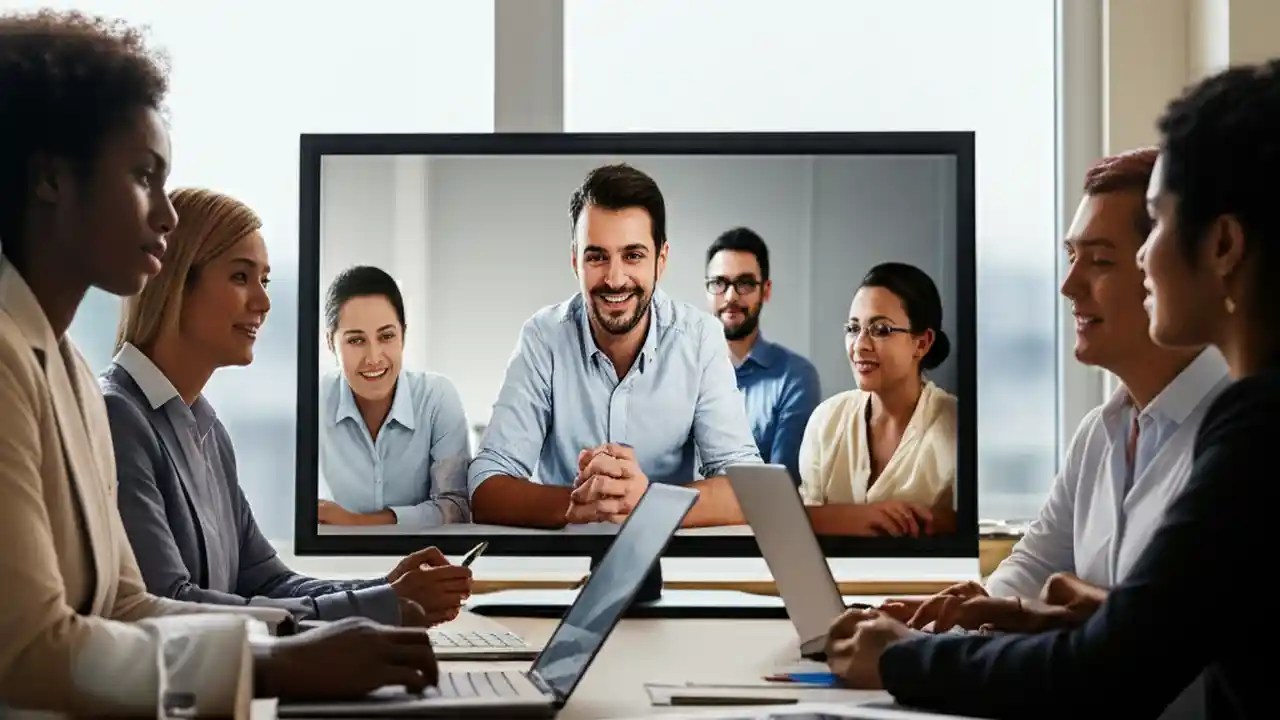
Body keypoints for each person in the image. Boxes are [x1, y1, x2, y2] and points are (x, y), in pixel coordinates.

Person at [0, 11, 438, 717]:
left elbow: (122, 603)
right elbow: (29, 654)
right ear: (50, 177)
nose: (166, 217)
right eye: (143, 175)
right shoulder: (12, 369)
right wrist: (282, 663)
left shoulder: (69, 373)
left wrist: (308, 639)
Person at [823, 59, 1280, 718]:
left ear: (1224, 244)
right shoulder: (1135, 427)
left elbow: (1111, 673)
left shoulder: (1255, 431)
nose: (1149, 258)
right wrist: (1088, 622)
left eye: (1160, 222)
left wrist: (902, 656)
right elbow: (1173, 638)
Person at [883, 149, 1230, 644]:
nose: (1069, 285)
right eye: (1071, 257)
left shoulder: (1235, 434)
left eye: (1101, 260)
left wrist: (919, 656)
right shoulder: (1100, 432)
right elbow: (1036, 566)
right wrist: (948, 622)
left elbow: (1168, 637)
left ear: (1169, 268)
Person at [101, 187, 472, 629]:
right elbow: (169, 604)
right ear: (175, 280)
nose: (263, 302)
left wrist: (386, 589)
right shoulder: (117, 418)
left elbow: (267, 580)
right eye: (241, 277)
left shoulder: (207, 429)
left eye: (265, 280)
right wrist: (380, 604)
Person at [468, 163, 762, 528]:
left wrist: (647, 504)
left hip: (664, 562)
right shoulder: (544, 337)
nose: (615, 278)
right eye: (597, 256)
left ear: (661, 260)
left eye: (633, 255)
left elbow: (750, 491)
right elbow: (484, 487)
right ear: (575, 259)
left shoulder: (700, 337)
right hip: (563, 562)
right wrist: (582, 504)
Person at [796, 262, 958, 536]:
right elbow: (799, 524)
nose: (860, 345)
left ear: (922, 343)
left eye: (881, 330)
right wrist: (860, 517)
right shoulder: (827, 419)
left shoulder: (956, 426)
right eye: (853, 328)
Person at [317, 264, 470, 527]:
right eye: (356, 340)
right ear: (331, 342)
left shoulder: (437, 398)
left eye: (386, 336)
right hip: (337, 560)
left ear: (403, 335)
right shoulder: (312, 402)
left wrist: (357, 522)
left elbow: (456, 507)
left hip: (424, 559)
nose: (374, 358)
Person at [704, 227, 821, 483]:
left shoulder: (795, 377)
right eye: (719, 283)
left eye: (745, 283)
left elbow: (780, 487)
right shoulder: (682, 373)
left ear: (765, 290)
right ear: (707, 290)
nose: (731, 295)